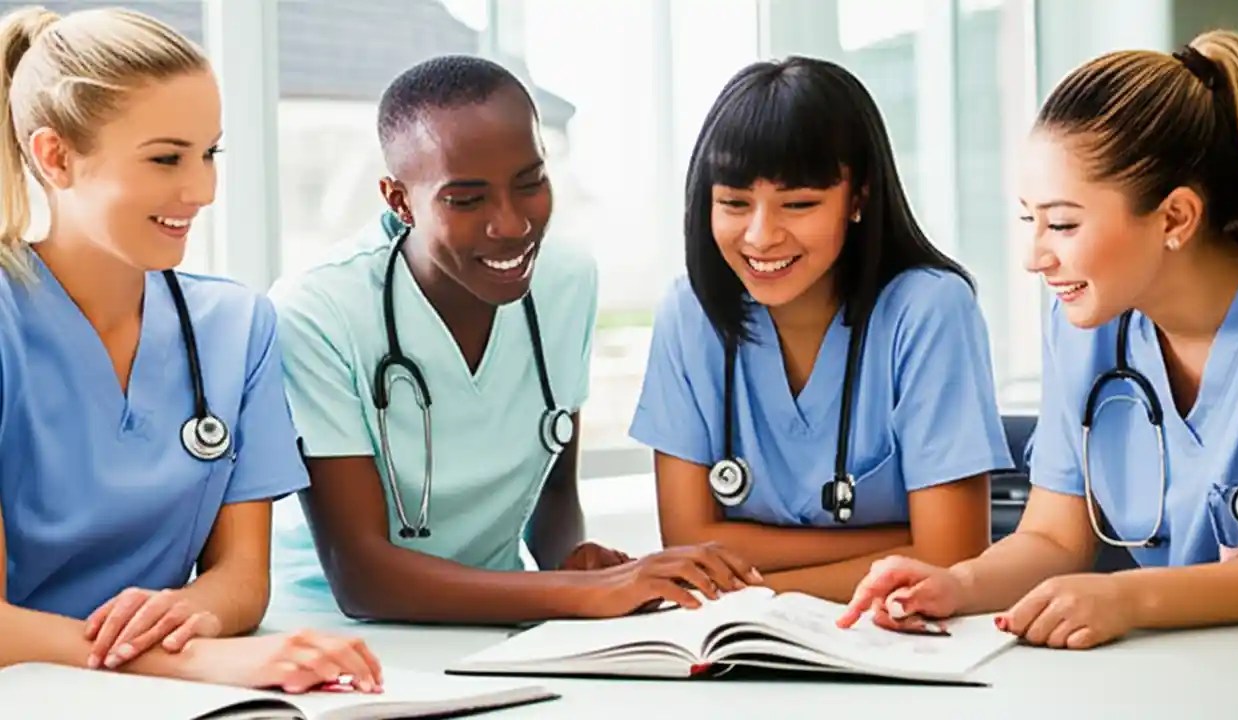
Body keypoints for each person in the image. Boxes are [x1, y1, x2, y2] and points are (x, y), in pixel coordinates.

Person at [269, 55, 761, 624]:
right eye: (467, 199)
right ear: (399, 200)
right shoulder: (317, 311)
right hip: (333, 636)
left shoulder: (566, 282)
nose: (512, 224)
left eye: (530, 183)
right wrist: (584, 594)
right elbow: (362, 579)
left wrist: (577, 564)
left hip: (502, 624)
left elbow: (551, 498)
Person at [842, 30, 1238, 649]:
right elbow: (1055, 538)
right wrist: (956, 584)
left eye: (1064, 223)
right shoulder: (1086, 327)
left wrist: (1130, 598)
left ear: (1176, 218)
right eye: (1030, 219)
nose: (1034, 257)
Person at [0, 6, 381, 693]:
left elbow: (240, 580)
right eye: (166, 158)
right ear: (54, 156)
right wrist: (195, 659)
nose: (201, 190)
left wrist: (186, 614)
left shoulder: (237, 327)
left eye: (210, 153)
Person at [627, 56, 1014, 604]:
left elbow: (951, 557)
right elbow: (688, 541)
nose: (761, 236)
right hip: (741, 654)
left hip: (904, 636)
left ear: (858, 198)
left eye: (799, 204)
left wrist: (755, 591)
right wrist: (901, 543)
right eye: (734, 203)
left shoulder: (929, 309)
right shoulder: (690, 313)